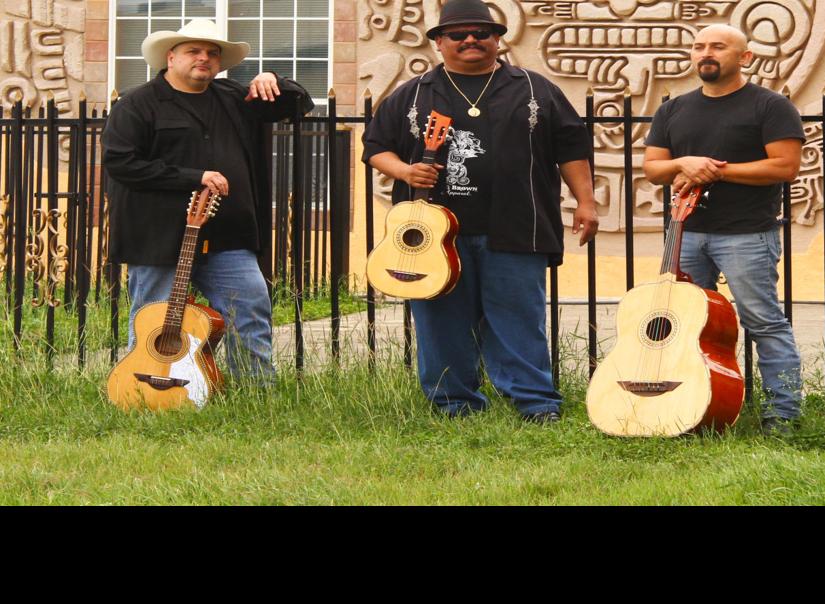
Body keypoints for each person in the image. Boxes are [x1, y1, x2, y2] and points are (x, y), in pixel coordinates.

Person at [362, 0, 597, 422]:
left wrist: (586, 201)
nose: (470, 40)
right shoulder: (413, 94)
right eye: (457, 34)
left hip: (517, 225)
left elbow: (572, 149)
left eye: (481, 32)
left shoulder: (534, 88)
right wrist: (405, 171)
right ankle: (454, 405)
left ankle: (535, 405)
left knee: (518, 319)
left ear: (498, 40)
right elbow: (377, 148)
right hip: (430, 234)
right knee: (440, 322)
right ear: (438, 43)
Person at [103, 18, 313, 381]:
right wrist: (193, 178)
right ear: (170, 57)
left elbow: (298, 107)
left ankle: (256, 392)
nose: (204, 58)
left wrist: (276, 81)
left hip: (228, 235)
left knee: (249, 308)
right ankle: (143, 391)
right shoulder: (137, 104)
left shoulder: (235, 99)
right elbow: (121, 162)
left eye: (212, 53)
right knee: (154, 318)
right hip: (158, 239)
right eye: (194, 51)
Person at [642, 24, 805, 435]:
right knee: (681, 324)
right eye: (699, 47)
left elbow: (784, 166)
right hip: (686, 231)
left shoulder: (769, 106)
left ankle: (782, 415)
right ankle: (690, 408)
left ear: (744, 57)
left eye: (718, 46)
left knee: (763, 322)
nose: (706, 53)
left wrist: (714, 170)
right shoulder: (673, 109)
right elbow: (652, 168)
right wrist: (683, 164)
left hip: (747, 234)